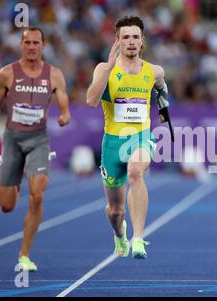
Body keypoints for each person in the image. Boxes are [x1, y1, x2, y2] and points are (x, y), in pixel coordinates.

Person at [0, 27, 71, 271]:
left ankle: (24, 255)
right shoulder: (7, 74)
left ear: (43, 45)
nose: (32, 47)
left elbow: (64, 101)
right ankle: (16, 172)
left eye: (36, 43)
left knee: (38, 194)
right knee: (6, 206)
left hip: (38, 139)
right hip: (13, 139)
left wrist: (64, 114)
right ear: (21, 45)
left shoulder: (54, 75)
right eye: (27, 42)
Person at [86, 16, 171, 259]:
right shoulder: (104, 69)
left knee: (136, 172)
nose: (131, 42)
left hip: (141, 137)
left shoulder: (154, 71)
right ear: (117, 41)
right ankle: (120, 235)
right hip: (112, 143)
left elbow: (162, 88)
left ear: (142, 41)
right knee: (116, 211)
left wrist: (164, 109)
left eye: (135, 37)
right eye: (126, 37)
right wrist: (110, 67)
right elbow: (91, 101)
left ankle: (138, 238)